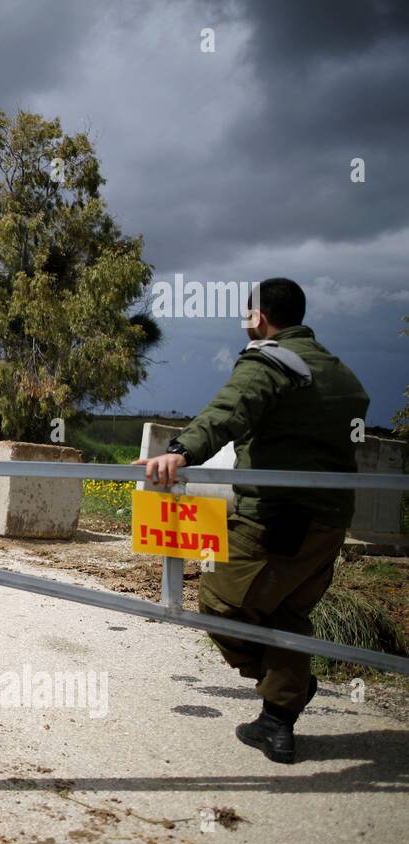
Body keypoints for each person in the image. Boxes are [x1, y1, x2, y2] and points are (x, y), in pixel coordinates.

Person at [136, 278, 369, 763]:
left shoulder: (271, 360)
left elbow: (229, 412)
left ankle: (288, 686)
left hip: (276, 518)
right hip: (329, 522)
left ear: (258, 318)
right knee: (286, 612)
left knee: (219, 604)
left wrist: (179, 452)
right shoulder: (340, 372)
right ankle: (277, 723)